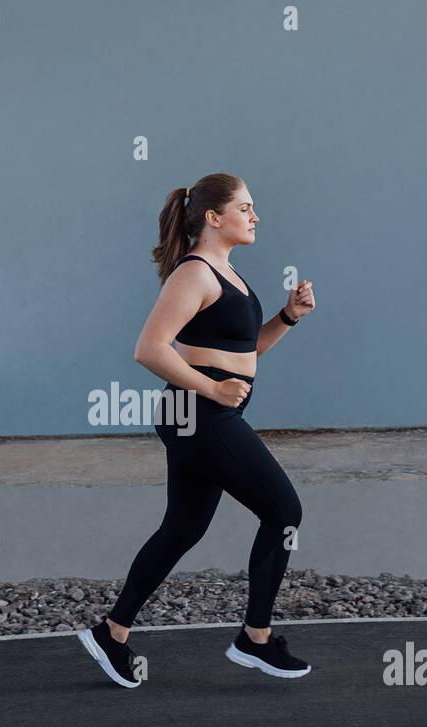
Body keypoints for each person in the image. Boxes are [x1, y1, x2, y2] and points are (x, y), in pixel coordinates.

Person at [78, 173, 317, 687]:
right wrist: (210, 392)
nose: (255, 216)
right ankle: (255, 639)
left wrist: (287, 318)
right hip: (199, 415)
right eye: (246, 207)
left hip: (204, 415)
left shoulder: (226, 273)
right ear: (214, 217)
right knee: (284, 511)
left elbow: (243, 354)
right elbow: (149, 349)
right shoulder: (194, 273)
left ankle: (111, 633)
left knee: (183, 528)